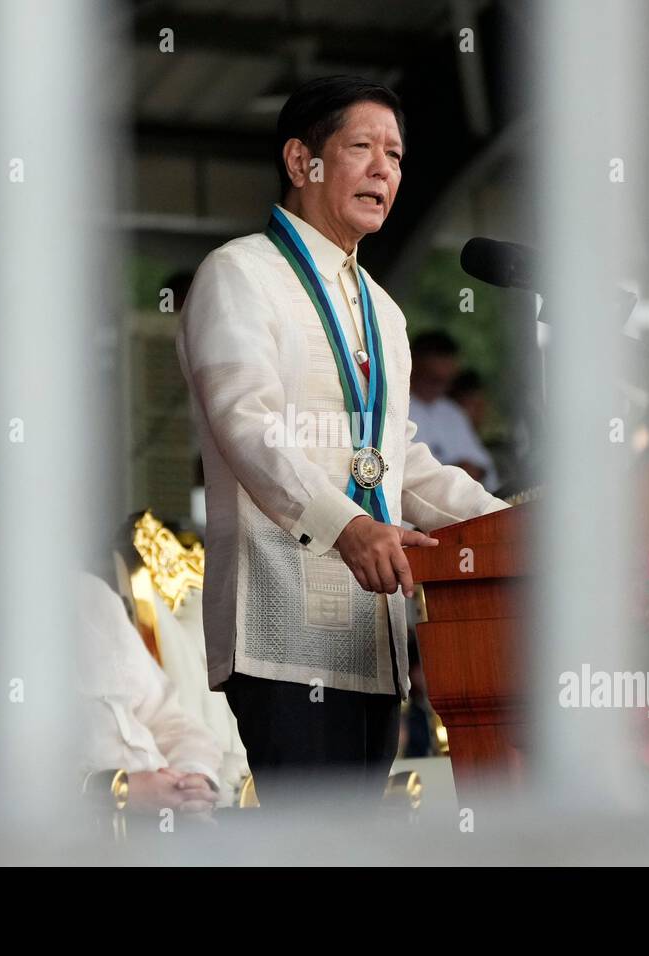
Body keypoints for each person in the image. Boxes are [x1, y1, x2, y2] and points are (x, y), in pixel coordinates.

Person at [177, 75, 509, 809]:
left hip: (373, 631)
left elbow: (396, 461)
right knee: (310, 846)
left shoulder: (383, 310)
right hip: (282, 628)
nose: (384, 168)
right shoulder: (239, 274)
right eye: (362, 147)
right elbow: (246, 424)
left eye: (396, 154)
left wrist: (507, 523)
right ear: (303, 162)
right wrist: (348, 526)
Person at [0, 430, 224, 816]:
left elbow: (168, 715)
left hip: (173, 817)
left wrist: (193, 778)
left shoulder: (90, 595)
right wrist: (113, 793)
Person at [408, 331, 500, 491]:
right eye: (432, 379)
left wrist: (475, 470)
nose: (439, 386)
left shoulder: (453, 413)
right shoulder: (397, 408)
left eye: (445, 381)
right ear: (414, 365)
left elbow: (483, 465)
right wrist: (452, 471)